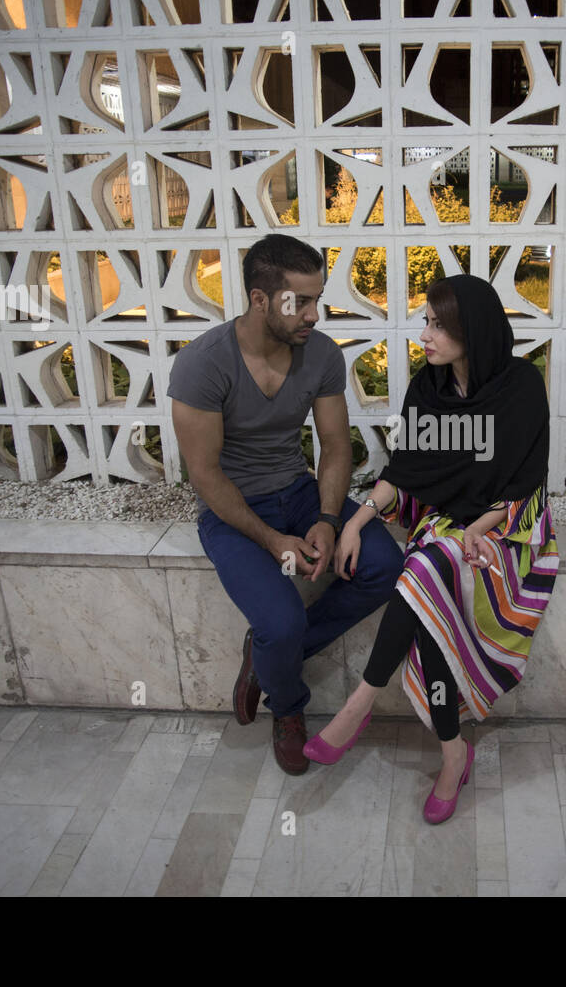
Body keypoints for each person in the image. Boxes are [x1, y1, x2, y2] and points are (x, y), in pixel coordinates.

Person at [302, 275, 559, 824]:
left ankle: (361, 704)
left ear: (474, 331)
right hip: (447, 525)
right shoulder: (430, 388)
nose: (425, 334)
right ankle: (451, 755)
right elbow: (405, 470)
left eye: (439, 326)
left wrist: (478, 530)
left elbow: (524, 483)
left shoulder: (520, 386)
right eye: (427, 322)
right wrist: (357, 520)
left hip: (507, 529)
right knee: (430, 577)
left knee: (426, 567)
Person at [168, 234, 405, 775]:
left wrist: (326, 519)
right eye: (300, 301)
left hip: (299, 495)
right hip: (233, 513)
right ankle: (288, 707)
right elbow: (204, 475)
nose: (314, 315)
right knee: (279, 620)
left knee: (385, 567)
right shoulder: (202, 365)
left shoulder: (318, 353)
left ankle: (271, 658)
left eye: (318, 298)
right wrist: (273, 540)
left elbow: (336, 445)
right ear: (259, 299)